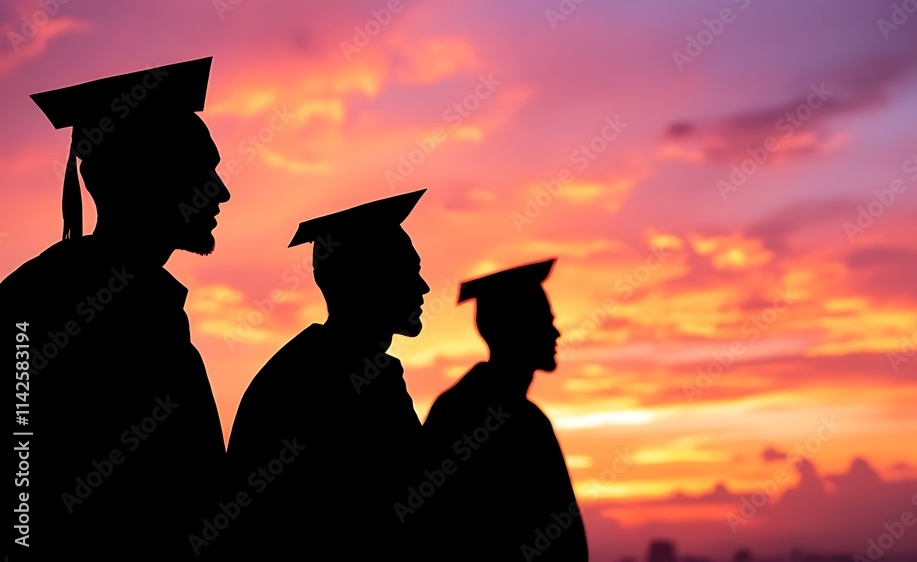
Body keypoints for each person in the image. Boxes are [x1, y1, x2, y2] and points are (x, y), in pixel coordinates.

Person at [3, 57, 230, 560]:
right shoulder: (34, 309)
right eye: (200, 171)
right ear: (143, 177)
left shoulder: (155, 310)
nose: (222, 192)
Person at [226, 189, 430, 559]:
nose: (423, 287)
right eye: (408, 271)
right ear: (368, 281)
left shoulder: (303, 366)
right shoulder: (347, 379)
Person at [417, 258, 588, 561]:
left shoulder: (460, 405)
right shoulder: (513, 419)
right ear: (512, 328)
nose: (556, 333)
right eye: (543, 321)